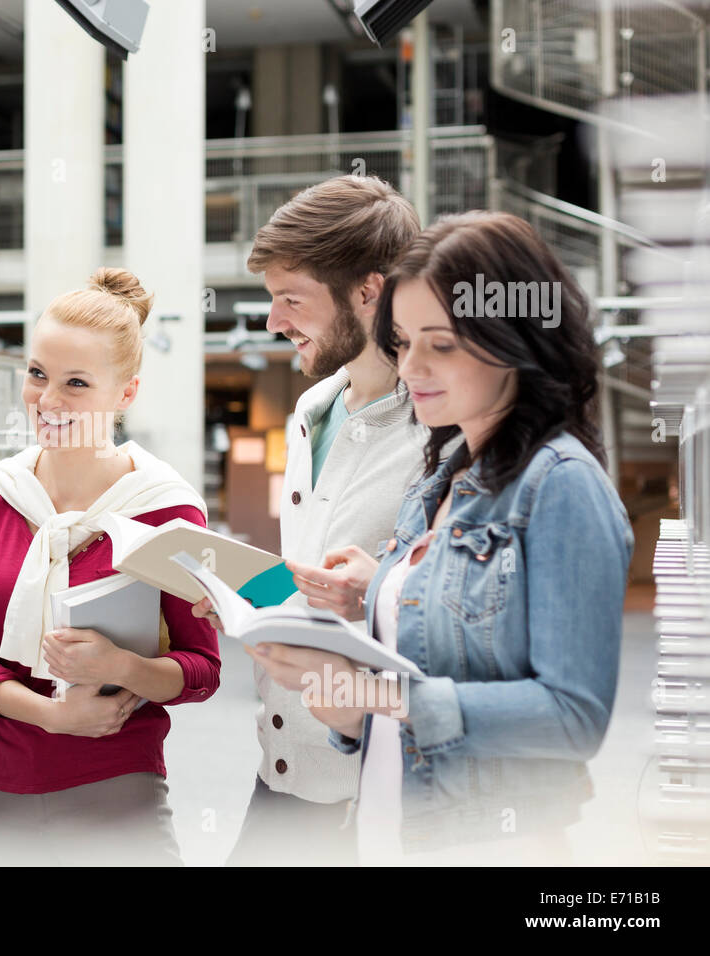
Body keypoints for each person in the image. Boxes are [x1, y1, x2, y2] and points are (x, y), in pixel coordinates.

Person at [252, 211, 634, 863]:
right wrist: (348, 706)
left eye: (443, 343)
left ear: (514, 338)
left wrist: (375, 694)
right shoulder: (441, 482)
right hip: (393, 830)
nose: (411, 366)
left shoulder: (562, 484)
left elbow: (574, 717)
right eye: (401, 341)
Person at [0, 268, 221, 866]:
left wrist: (123, 667)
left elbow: (202, 671)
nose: (47, 401)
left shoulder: (165, 510)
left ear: (126, 394)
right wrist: (51, 715)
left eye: (76, 383)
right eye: (37, 374)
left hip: (117, 790)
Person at [195, 175, 425, 866]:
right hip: (283, 768)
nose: (273, 321)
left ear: (369, 292)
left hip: (371, 788)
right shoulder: (311, 411)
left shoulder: (438, 430)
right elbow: (315, 579)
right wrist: (235, 599)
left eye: (291, 300)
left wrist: (379, 579)